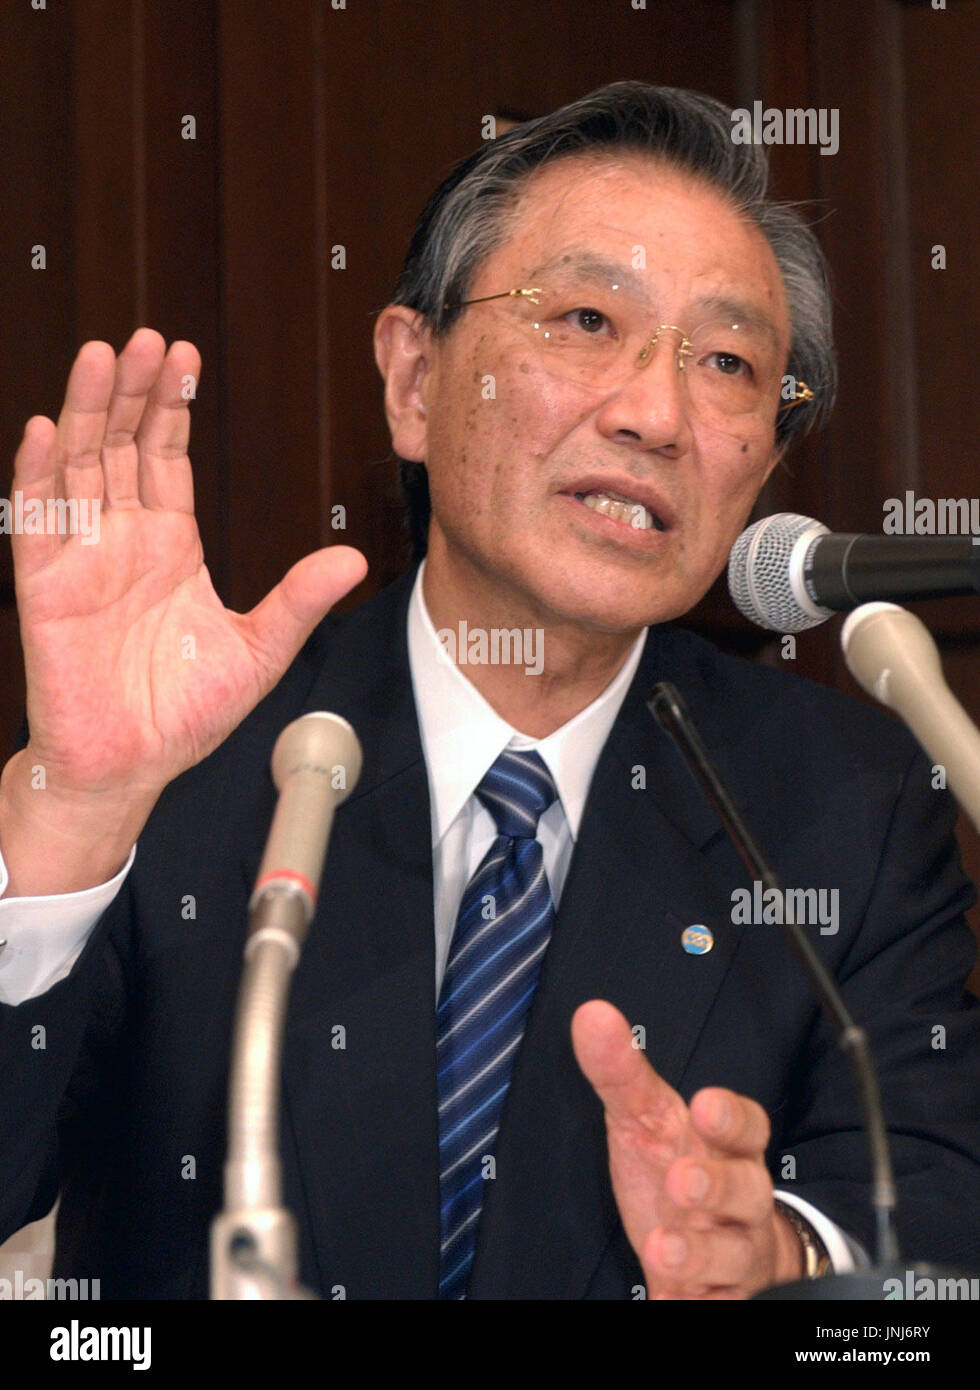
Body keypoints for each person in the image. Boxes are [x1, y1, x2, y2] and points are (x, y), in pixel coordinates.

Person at [0, 82, 977, 1300]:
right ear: (413, 381)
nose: (655, 413)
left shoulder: (845, 799)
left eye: (727, 362)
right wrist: (73, 813)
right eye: (581, 319)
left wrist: (777, 1256)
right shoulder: (192, 748)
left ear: (765, 466)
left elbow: (933, 1213)